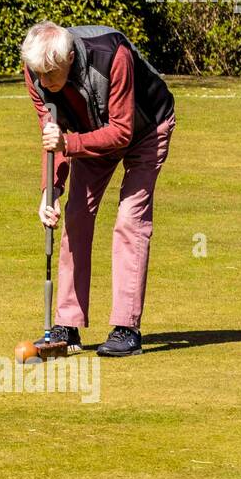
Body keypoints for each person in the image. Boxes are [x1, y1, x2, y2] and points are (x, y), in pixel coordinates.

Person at [20, 22, 176, 357]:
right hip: (87, 135)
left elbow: (121, 132)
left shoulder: (111, 55)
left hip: (147, 129)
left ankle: (126, 328)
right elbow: (52, 133)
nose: (44, 82)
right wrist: (52, 190)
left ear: (71, 57)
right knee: (75, 216)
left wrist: (70, 142)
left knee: (130, 221)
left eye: (52, 74)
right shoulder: (35, 70)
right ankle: (67, 325)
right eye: (39, 74)